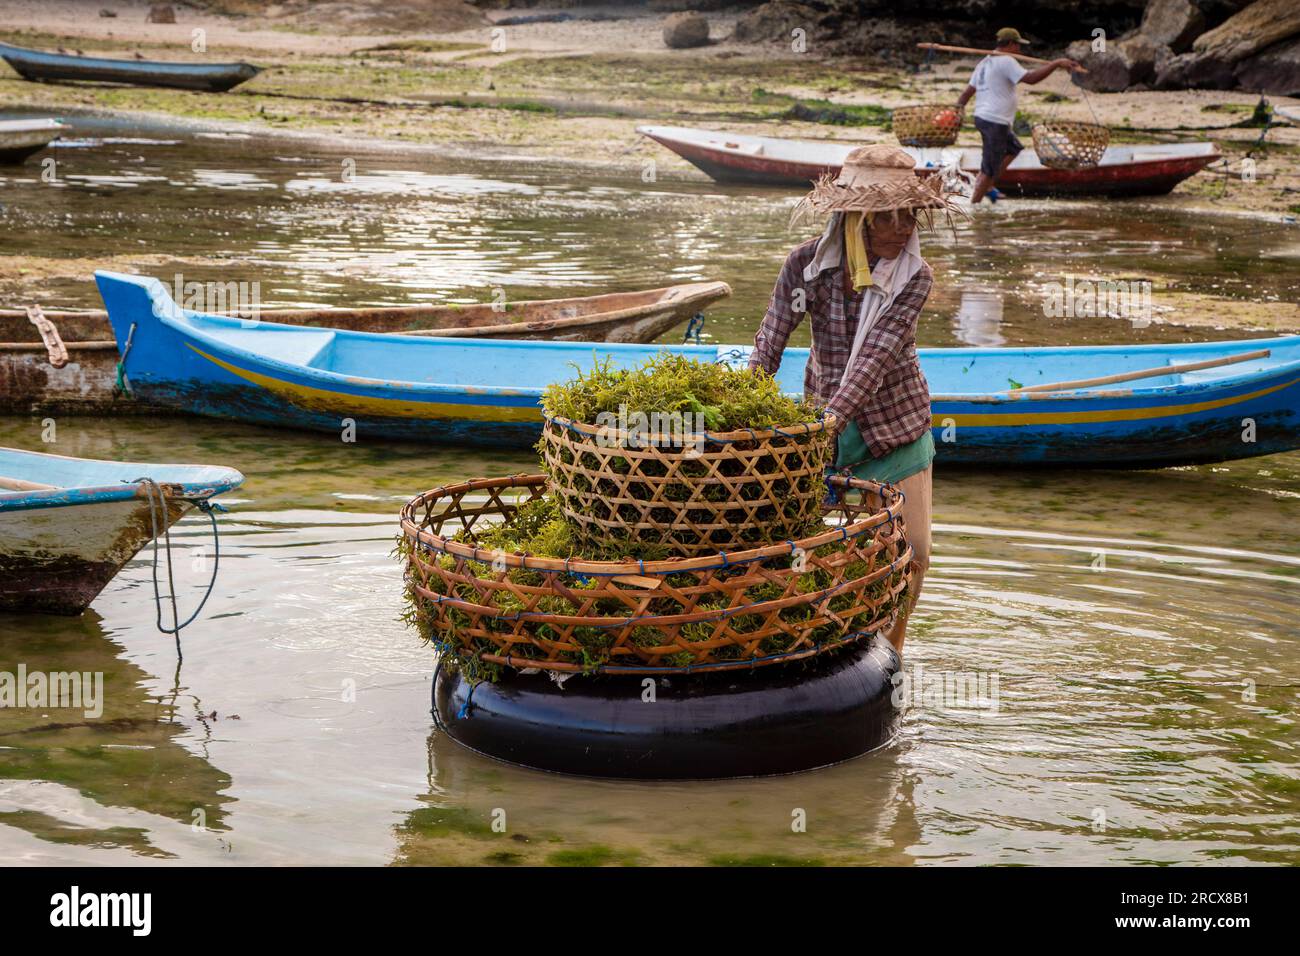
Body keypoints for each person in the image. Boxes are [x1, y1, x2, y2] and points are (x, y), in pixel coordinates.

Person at [749, 144, 961, 654]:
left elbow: (875, 359)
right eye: (893, 217)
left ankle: (891, 654)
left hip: (895, 426)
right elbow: (771, 338)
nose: (907, 227)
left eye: (911, 215)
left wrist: (829, 422)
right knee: (810, 551)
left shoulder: (915, 277)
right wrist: (740, 400)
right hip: (820, 432)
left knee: (913, 552)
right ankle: (824, 645)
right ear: (859, 219)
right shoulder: (804, 265)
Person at [956, 27, 1081, 203]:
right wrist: (1055, 64)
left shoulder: (985, 62)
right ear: (1011, 44)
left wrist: (958, 110)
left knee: (1014, 148)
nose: (1019, 50)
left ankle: (988, 184)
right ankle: (973, 206)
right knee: (989, 167)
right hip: (994, 120)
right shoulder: (1006, 61)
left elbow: (966, 94)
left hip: (986, 118)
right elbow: (1031, 79)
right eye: (1018, 46)